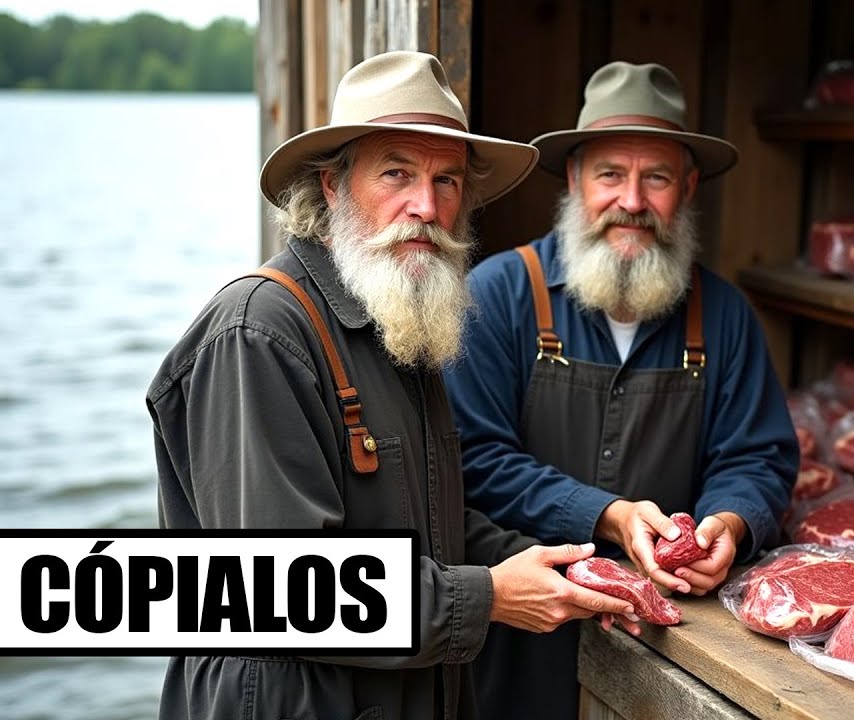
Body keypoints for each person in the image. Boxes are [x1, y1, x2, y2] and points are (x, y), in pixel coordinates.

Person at [147, 51, 640, 720]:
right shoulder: (258, 332)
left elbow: (428, 520)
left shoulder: (398, 317)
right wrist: (489, 597)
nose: (426, 206)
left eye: (447, 181)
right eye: (396, 174)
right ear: (332, 185)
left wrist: (562, 563)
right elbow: (287, 591)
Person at [442, 61, 799, 719]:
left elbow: (757, 457)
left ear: (687, 187)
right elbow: (472, 459)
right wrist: (608, 515)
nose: (631, 201)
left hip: (659, 650)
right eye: (610, 174)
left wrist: (729, 522)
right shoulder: (498, 295)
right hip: (519, 637)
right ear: (575, 180)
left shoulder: (722, 314)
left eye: (656, 177)